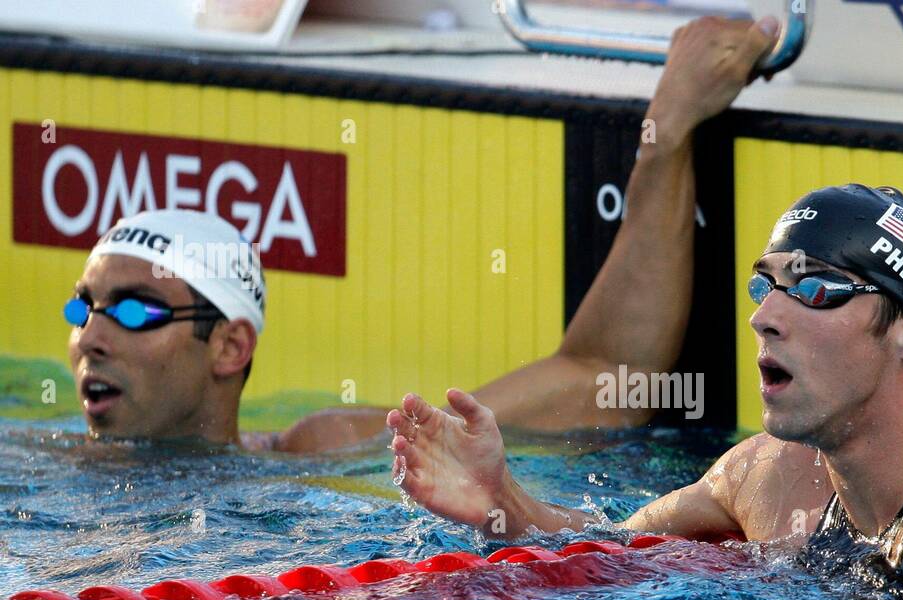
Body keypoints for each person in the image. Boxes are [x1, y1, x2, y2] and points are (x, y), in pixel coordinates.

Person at [387, 184, 903, 600]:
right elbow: (609, 553)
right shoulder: (771, 474)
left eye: (812, 287)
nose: (766, 316)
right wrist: (503, 504)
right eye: (765, 285)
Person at [63, 15, 781, 452]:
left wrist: (669, 126)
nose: (90, 336)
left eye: (131, 308)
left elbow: (602, 380)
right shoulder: (39, 468)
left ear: (231, 346)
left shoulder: (333, 450)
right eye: (82, 307)